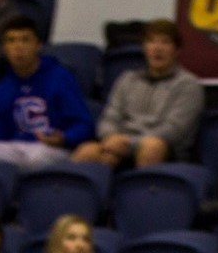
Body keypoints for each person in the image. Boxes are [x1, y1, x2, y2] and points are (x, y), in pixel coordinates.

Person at [0, 15, 92, 171]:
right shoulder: (3, 86)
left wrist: (64, 138)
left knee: (37, 158)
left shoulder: (59, 77)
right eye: (11, 41)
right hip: (16, 149)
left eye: (25, 40)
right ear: (4, 48)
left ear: (38, 45)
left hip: (53, 148)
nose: (18, 47)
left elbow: (84, 125)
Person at [71, 19, 202, 171]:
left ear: (177, 50)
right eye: (151, 42)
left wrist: (129, 143)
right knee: (87, 150)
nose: (157, 48)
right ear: (144, 47)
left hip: (165, 148)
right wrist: (110, 137)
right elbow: (110, 117)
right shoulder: (127, 79)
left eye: (165, 42)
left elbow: (174, 130)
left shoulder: (188, 84)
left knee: (151, 146)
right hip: (120, 143)